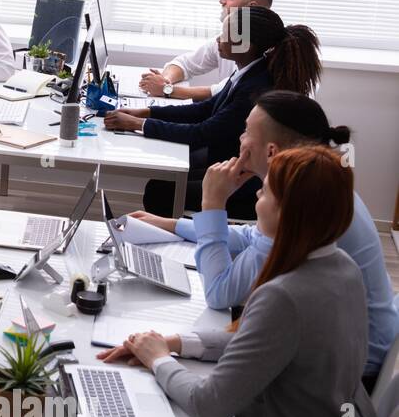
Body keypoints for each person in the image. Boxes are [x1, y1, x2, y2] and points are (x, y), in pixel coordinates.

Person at [77, 145, 378, 417]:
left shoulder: (285, 295)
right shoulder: (341, 267)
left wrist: (158, 359)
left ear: (290, 212)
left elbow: (211, 404)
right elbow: (254, 341)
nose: (257, 197)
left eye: (267, 193)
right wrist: (178, 343)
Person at [130, 91, 398, 391]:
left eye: (246, 131)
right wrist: (172, 225)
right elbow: (250, 237)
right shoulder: (316, 184)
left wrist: (213, 205)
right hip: (354, 343)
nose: (240, 139)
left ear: (271, 151)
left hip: (344, 373)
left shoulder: (300, 207)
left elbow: (219, 293)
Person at [104, 7, 321, 218]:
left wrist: (135, 125)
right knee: (166, 176)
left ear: (246, 46)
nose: (218, 39)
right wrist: (146, 112)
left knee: (161, 191)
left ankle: (174, 243)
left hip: (247, 189)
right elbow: (205, 109)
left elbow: (203, 133)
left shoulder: (256, 87)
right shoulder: (249, 71)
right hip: (230, 161)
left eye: (225, 35)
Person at [138, 0, 273, 100]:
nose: (222, 0)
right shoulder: (226, 40)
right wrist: (165, 80)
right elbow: (185, 63)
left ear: (250, 8)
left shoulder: (263, 53)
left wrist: (166, 89)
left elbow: (219, 92)